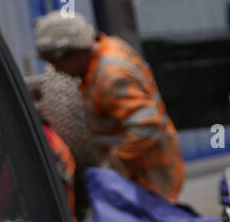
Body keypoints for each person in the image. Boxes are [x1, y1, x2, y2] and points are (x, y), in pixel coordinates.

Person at [33, 12, 185, 202]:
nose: (56, 70)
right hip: (143, 171)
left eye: (57, 63)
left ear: (76, 53)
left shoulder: (110, 76)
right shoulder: (108, 48)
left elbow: (147, 126)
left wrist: (112, 168)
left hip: (147, 174)